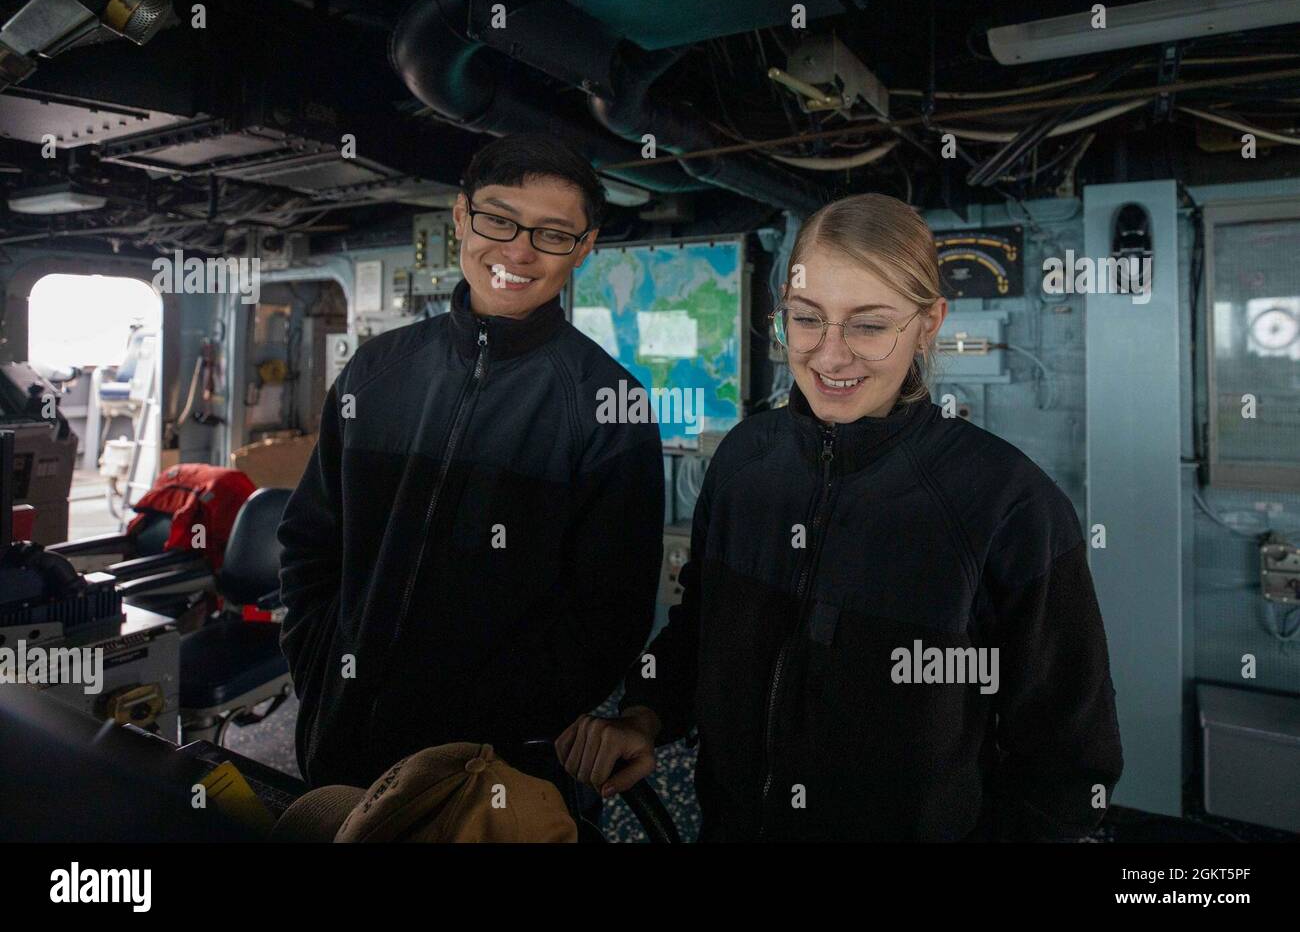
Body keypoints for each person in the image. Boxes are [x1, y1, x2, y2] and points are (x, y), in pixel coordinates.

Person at [558, 192, 1123, 841]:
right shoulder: (745, 461)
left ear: (929, 322)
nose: (830, 356)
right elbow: (699, 628)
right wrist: (645, 715)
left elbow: (1070, 762)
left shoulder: (1007, 502)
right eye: (807, 320)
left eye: (869, 324)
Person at [278, 134, 664, 797]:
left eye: (552, 234)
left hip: (499, 777)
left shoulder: (610, 404)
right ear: (460, 218)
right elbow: (311, 543)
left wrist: (514, 725)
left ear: (585, 247)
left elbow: (612, 613)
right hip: (340, 746)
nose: (517, 250)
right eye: (498, 219)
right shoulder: (375, 371)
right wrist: (321, 666)